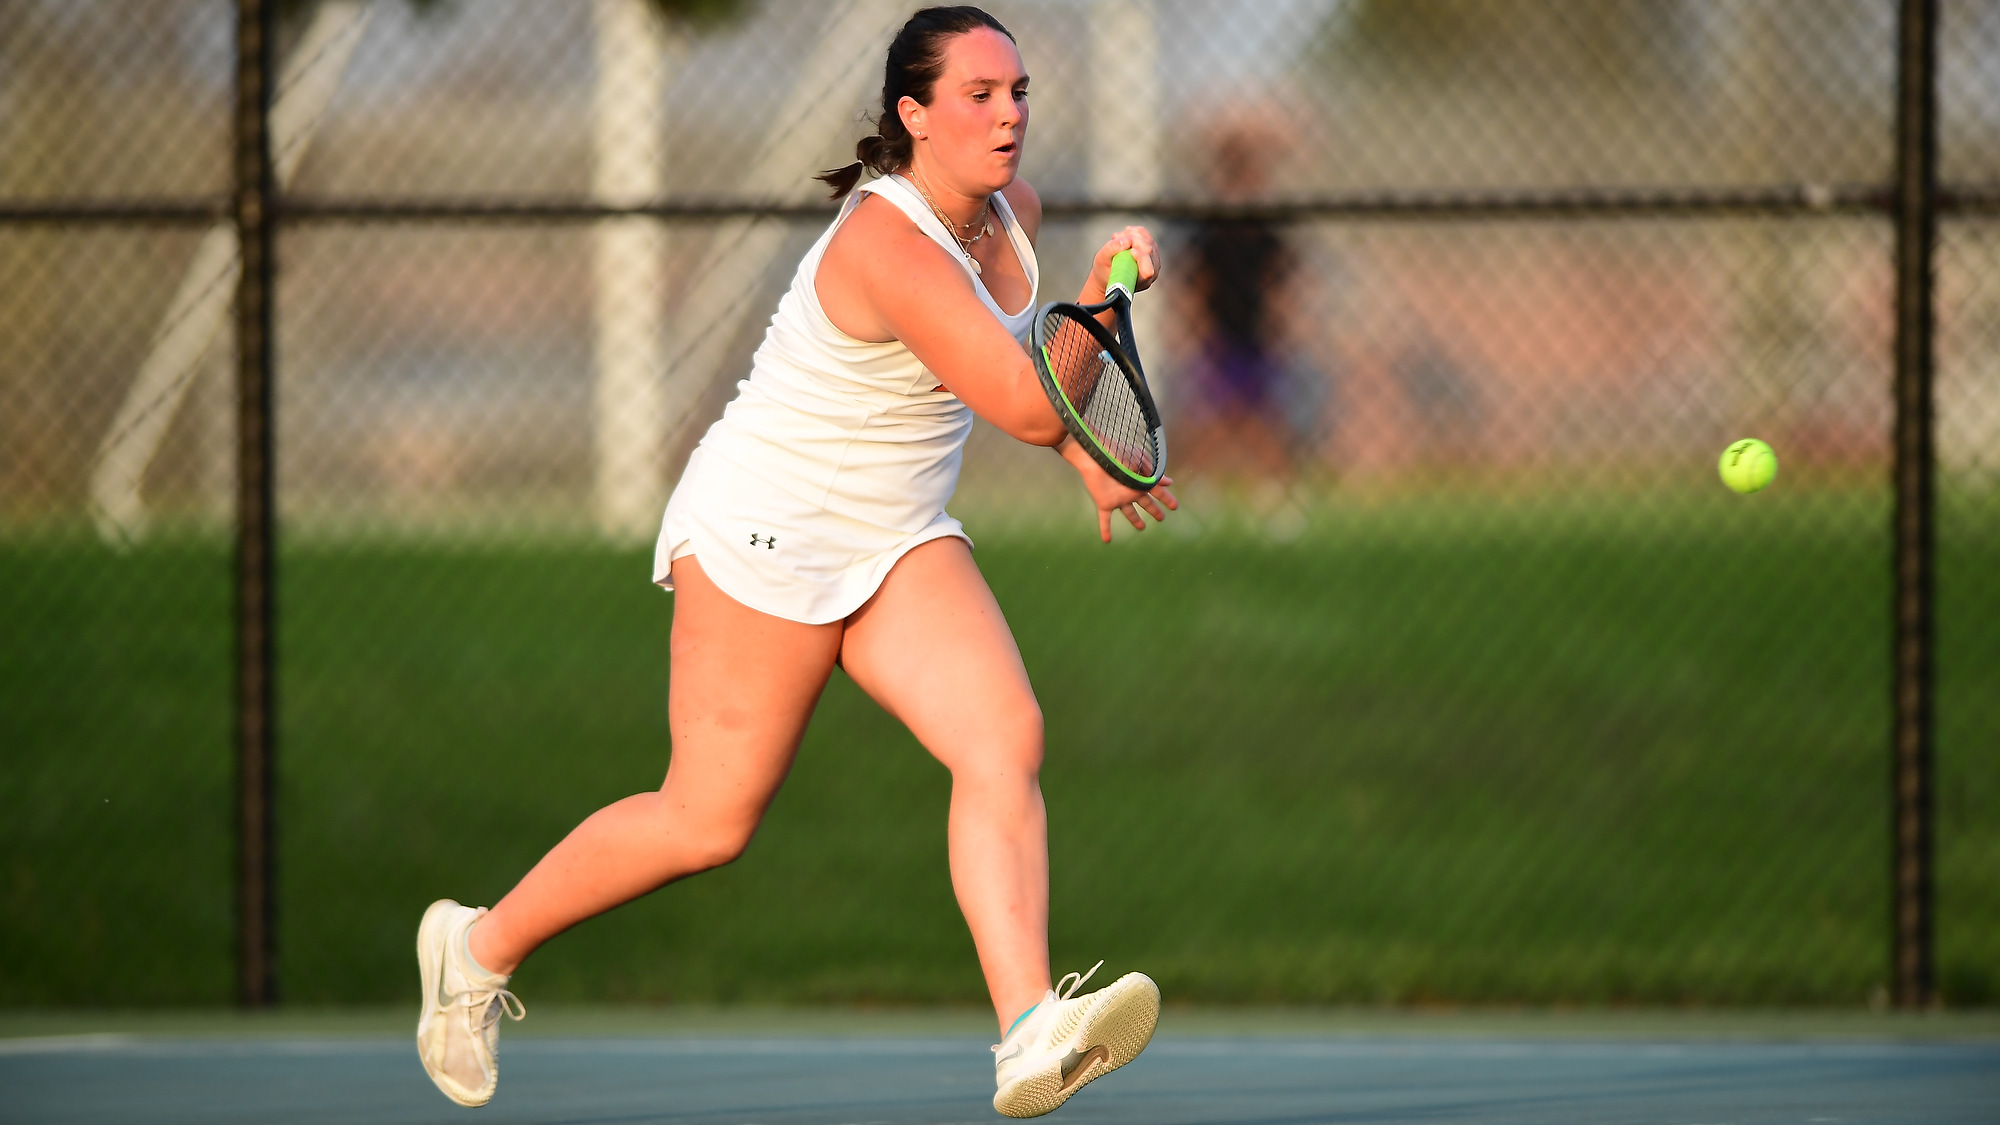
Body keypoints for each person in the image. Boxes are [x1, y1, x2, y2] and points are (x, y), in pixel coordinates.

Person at [414, 7, 1175, 1118]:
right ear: (915, 114)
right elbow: (1023, 400)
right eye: (978, 94)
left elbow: (1002, 378)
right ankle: (474, 950)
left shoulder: (1015, 212)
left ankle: (1025, 1031)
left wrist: (1080, 453)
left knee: (1002, 737)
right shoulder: (885, 243)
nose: (1008, 113)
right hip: (765, 529)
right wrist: (1106, 296)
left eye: (1017, 91)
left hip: (895, 530)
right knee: (706, 821)